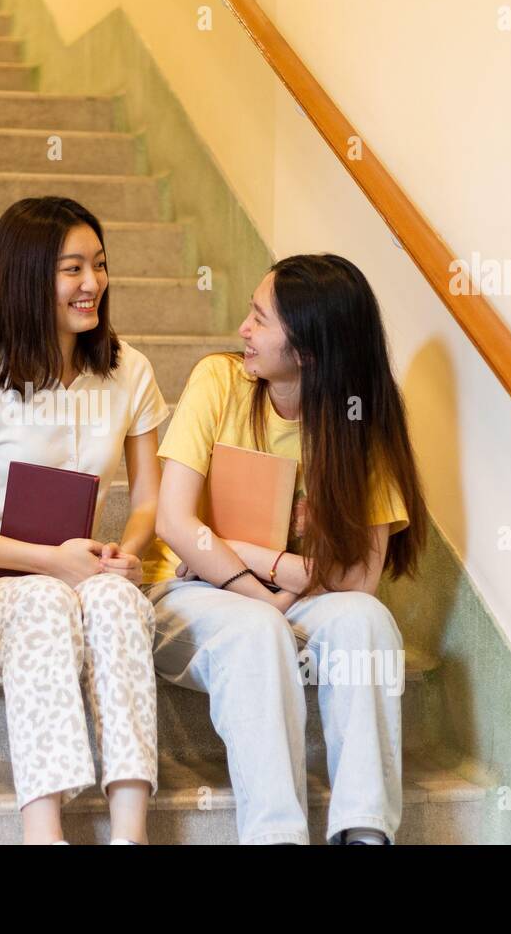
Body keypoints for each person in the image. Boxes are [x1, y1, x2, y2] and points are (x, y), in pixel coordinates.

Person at [142, 253, 427, 844]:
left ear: (308, 351)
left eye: (260, 319)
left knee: (366, 622)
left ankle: (364, 831)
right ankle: (277, 837)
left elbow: (360, 580)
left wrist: (274, 573)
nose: (243, 329)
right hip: (193, 595)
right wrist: (272, 579)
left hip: (297, 602)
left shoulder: (357, 420)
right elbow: (174, 522)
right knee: (257, 630)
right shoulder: (218, 380)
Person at [0, 197, 169, 845]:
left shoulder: (128, 371)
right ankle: (43, 831)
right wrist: (52, 561)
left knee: (113, 597)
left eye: (100, 266)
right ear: (29, 278)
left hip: (79, 579)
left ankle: (131, 829)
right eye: (72, 270)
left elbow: (148, 501)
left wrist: (126, 551)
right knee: (48, 598)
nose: (93, 285)